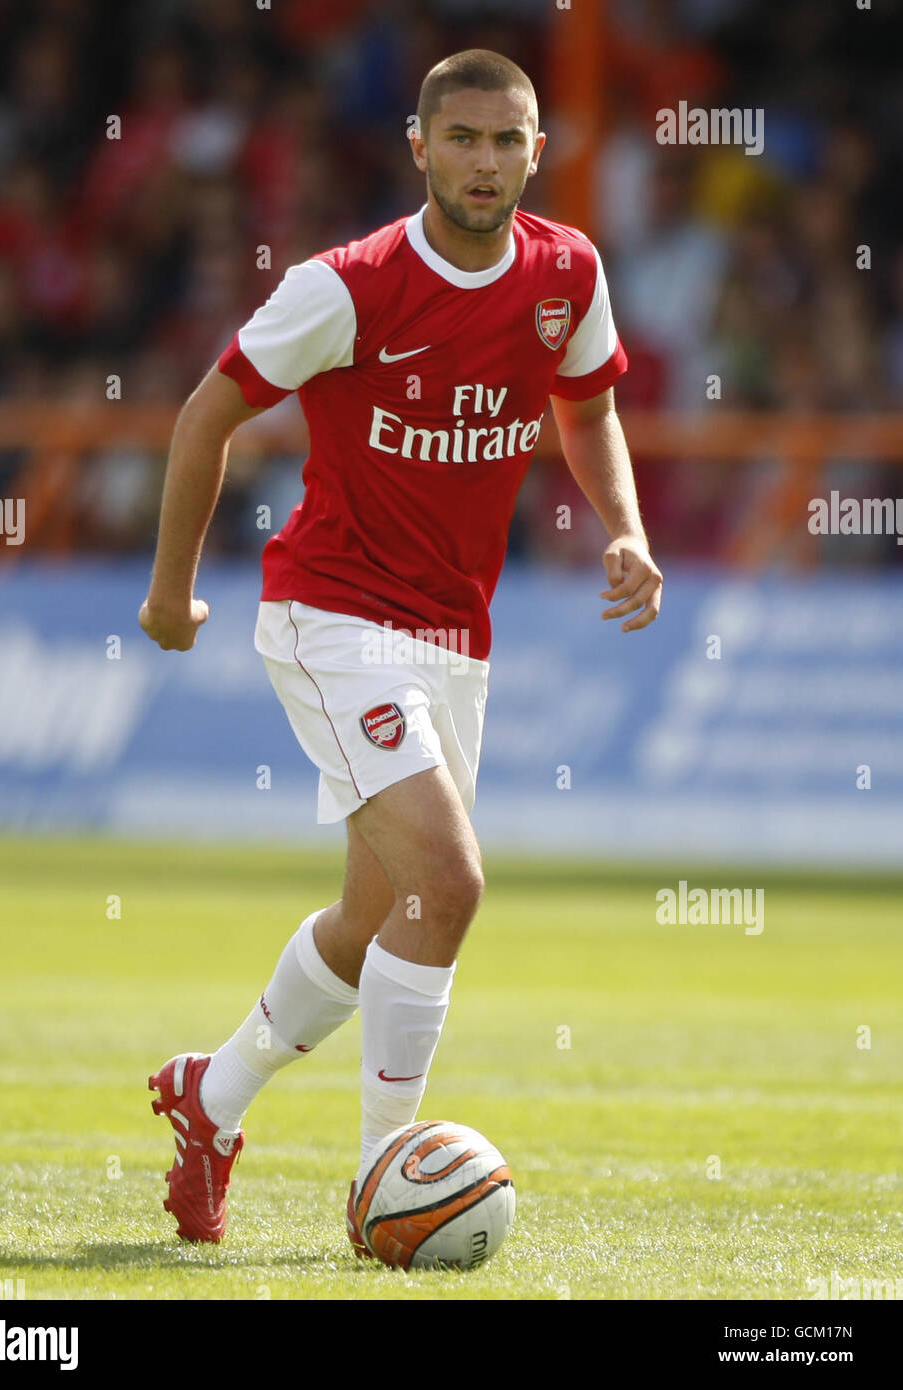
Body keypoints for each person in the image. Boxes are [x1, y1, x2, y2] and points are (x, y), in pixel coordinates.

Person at [139, 49, 662, 1251]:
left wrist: (626, 530)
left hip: (453, 638)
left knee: (372, 918)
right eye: (463, 138)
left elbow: (588, 411)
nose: (486, 161)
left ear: (539, 150)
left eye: (507, 140)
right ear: (419, 147)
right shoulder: (349, 285)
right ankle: (389, 1176)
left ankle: (207, 1099)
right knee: (453, 881)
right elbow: (206, 413)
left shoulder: (568, 272)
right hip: (330, 615)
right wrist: (171, 596)